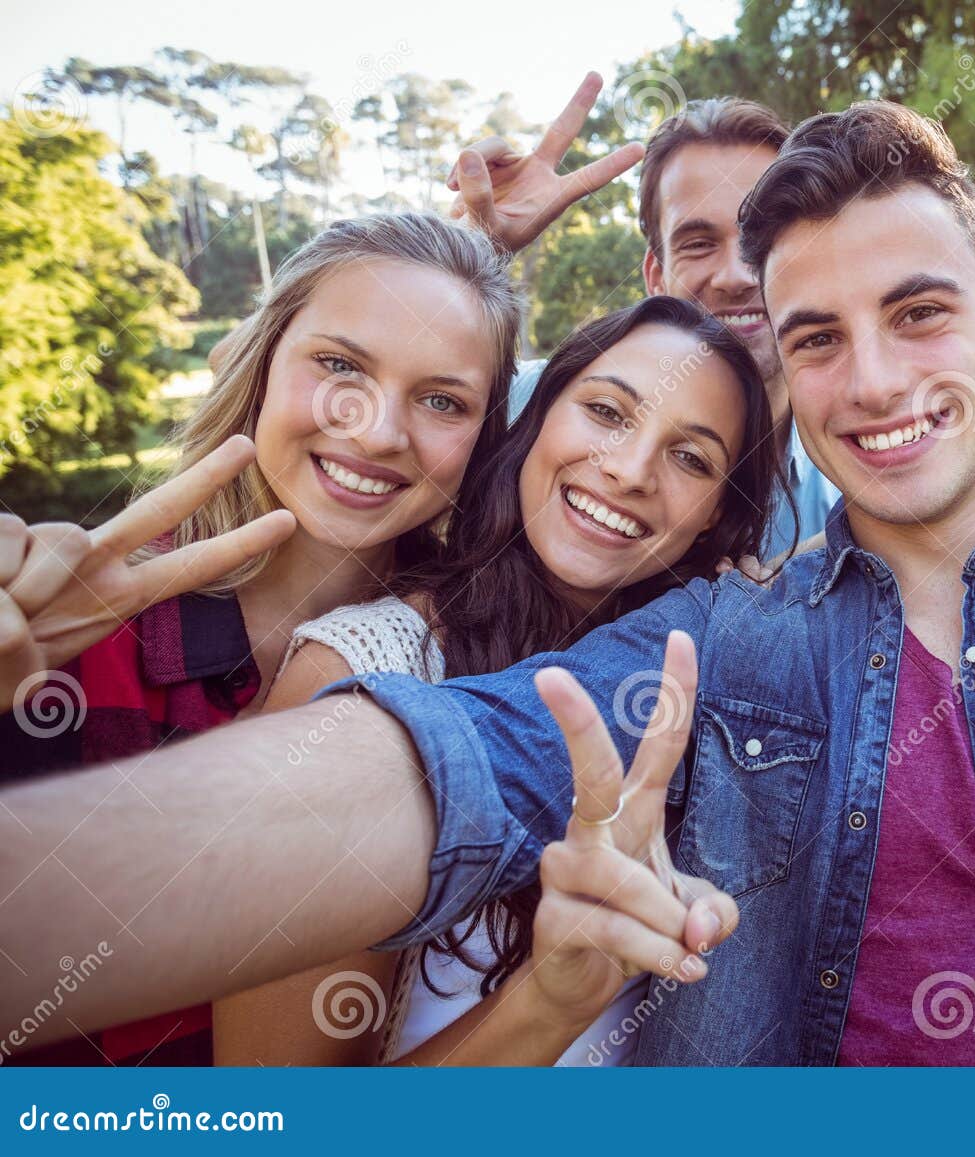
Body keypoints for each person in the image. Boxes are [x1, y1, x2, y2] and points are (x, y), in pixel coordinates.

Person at [4, 101, 975, 1067]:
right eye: (817, 334)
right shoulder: (711, 644)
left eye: (917, 313)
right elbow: (423, 771)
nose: (874, 377)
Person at [0, 210, 520, 1064]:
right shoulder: (67, 630)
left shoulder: (477, 660)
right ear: (262, 363)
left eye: (441, 399)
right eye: (340, 364)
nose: (378, 430)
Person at [212, 296, 777, 1066]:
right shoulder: (364, 671)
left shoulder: (717, 689)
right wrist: (547, 999)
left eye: (692, 458)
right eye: (607, 412)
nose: (629, 468)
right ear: (536, 420)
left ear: (717, 514)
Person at [446, 84, 975, 560]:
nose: (736, 274)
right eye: (697, 242)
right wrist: (477, 254)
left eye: (758, 245)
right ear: (656, 275)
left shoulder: (861, 477)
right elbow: (406, 407)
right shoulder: (542, 406)